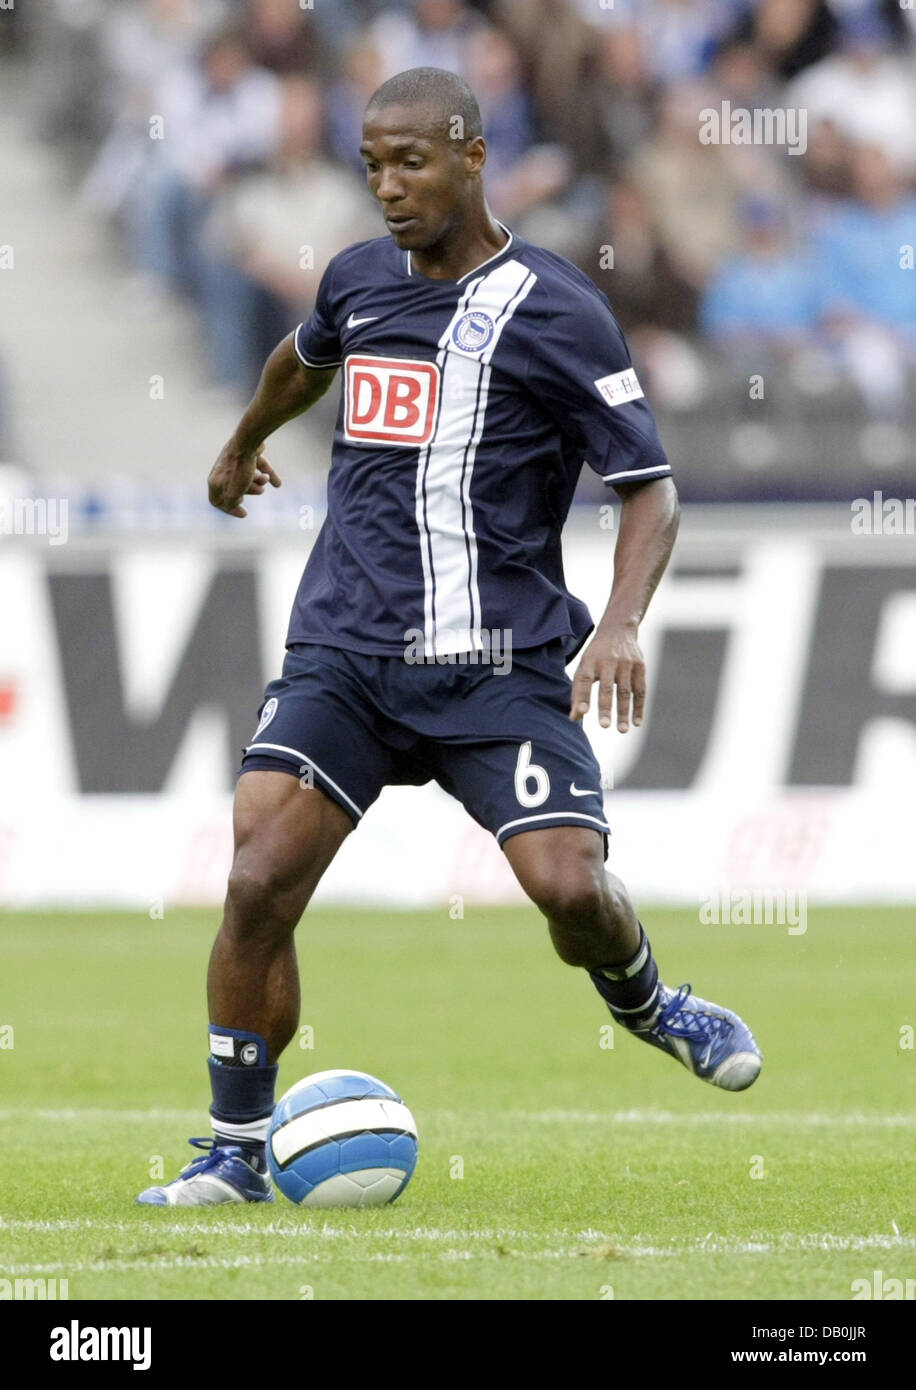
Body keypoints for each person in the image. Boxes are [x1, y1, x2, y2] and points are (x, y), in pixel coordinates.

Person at [137, 66, 761, 1207]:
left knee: (571, 888)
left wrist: (618, 626)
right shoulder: (359, 279)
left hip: (500, 665)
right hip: (348, 650)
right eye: (370, 162)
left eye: (410, 162)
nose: (385, 186)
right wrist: (241, 442)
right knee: (258, 874)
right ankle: (231, 1151)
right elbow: (301, 354)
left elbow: (650, 490)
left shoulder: (557, 307)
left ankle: (647, 1000)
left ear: (473, 157)